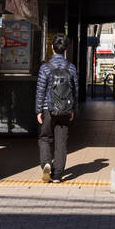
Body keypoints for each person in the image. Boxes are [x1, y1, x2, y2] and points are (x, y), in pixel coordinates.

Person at [34, 34, 78, 182]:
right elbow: (75, 91)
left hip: (48, 109)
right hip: (65, 109)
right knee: (61, 142)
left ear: (52, 47)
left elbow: (40, 90)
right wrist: (73, 109)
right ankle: (58, 174)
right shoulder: (71, 68)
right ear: (65, 49)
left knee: (45, 138)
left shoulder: (45, 68)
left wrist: (38, 110)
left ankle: (46, 164)